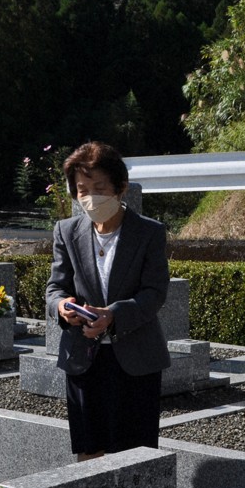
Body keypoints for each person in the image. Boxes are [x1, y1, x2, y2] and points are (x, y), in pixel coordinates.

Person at [46, 141, 171, 461]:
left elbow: (154, 292)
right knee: (89, 451)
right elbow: (55, 288)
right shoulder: (66, 231)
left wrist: (113, 315)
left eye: (99, 187)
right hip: (83, 360)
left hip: (135, 360)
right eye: (82, 189)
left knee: (134, 454)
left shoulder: (149, 233)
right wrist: (62, 308)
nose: (90, 197)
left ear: (121, 188)